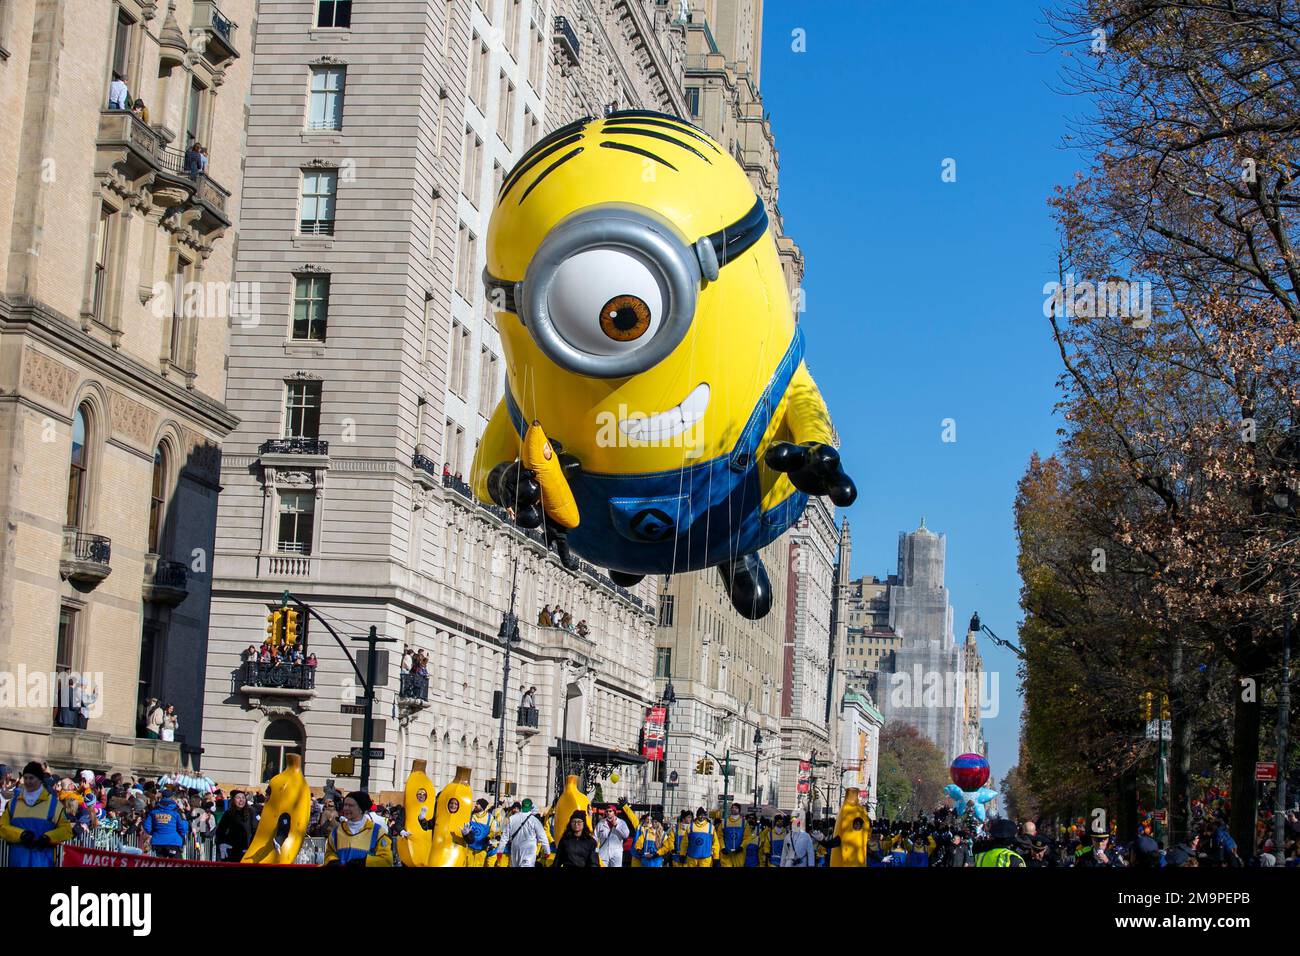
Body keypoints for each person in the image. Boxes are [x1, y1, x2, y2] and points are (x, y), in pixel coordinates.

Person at [0, 762, 72, 867]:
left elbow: (66, 830)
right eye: (26, 778)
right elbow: (2, 827)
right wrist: (20, 835)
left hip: (43, 862)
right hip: (18, 861)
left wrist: (48, 837)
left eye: (31, 778)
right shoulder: (14, 803)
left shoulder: (53, 804)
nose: (28, 781)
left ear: (39, 779)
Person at [323, 791, 393, 866]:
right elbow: (329, 853)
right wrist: (332, 861)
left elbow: (386, 860)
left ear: (361, 809)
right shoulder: (336, 832)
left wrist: (364, 862)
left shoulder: (378, 832)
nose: (346, 808)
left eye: (350, 805)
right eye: (345, 805)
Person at [143, 785, 188, 858]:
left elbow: (147, 826)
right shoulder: (176, 811)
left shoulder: (154, 810)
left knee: (160, 863)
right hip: (174, 841)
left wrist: (154, 832)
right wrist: (182, 835)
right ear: (172, 798)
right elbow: (183, 827)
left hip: (158, 841)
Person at [503, 798, 550, 867]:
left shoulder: (513, 818)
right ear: (531, 807)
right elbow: (542, 837)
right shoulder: (535, 821)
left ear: (522, 806)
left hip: (516, 848)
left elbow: (505, 835)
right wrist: (547, 851)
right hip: (529, 850)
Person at [214, 789, 253, 861]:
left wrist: (252, 847)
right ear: (233, 800)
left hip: (247, 850)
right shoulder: (228, 813)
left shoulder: (251, 812)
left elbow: (256, 830)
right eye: (238, 798)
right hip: (231, 850)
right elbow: (220, 830)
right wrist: (221, 844)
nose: (241, 800)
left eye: (243, 798)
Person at [594, 802, 631, 867]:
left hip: (616, 852)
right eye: (607, 811)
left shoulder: (621, 822)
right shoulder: (601, 823)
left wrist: (616, 825)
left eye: (610, 811)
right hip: (603, 852)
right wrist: (596, 850)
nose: (608, 812)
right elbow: (595, 837)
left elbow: (626, 835)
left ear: (614, 812)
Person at [462, 798, 492, 866]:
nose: (475, 805)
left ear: (482, 806)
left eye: (478, 804)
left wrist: (488, 838)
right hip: (470, 848)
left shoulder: (490, 818)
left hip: (481, 849)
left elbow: (494, 831)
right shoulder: (472, 816)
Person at [720, 802, 747, 866]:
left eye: (736, 808)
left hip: (739, 853)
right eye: (733, 807)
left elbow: (747, 837)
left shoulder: (744, 823)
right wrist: (723, 847)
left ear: (739, 810)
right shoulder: (724, 822)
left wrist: (742, 847)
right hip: (726, 853)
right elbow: (720, 836)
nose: (734, 809)